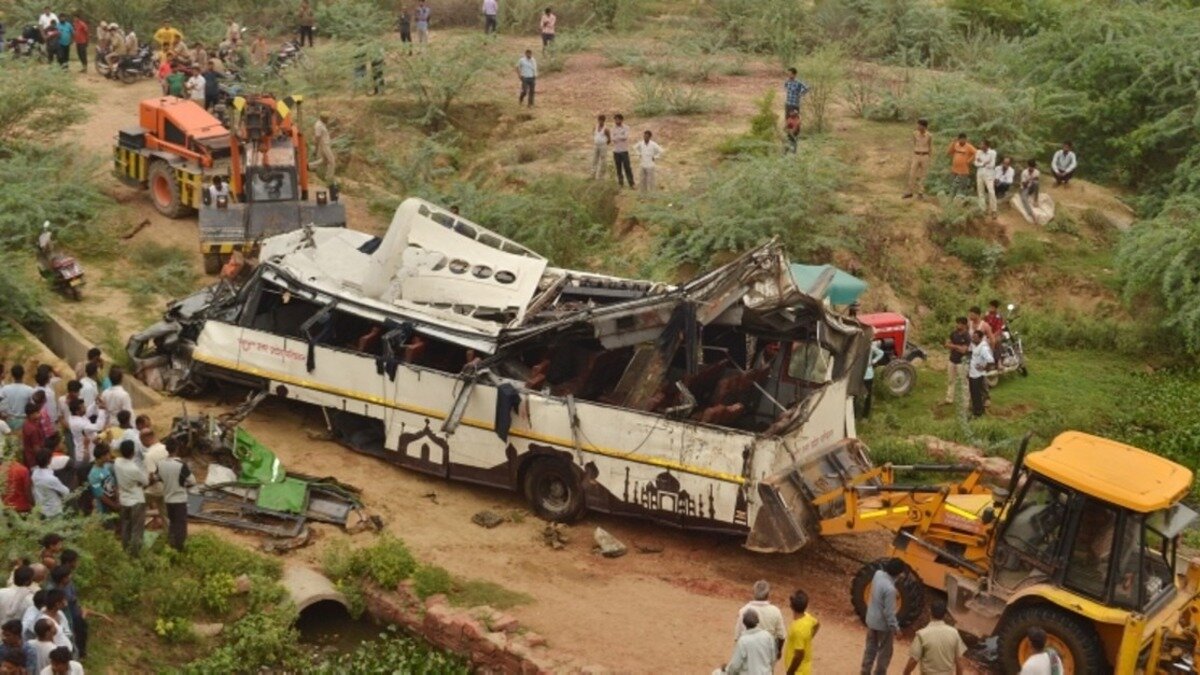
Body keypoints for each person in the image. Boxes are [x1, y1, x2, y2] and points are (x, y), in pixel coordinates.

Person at [861, 558, 905, 675]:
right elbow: (889, 613)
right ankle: (879, 673)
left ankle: (865, 670)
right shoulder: (890, 590)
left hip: (871, 619)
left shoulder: (878, 574)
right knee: (885, 652)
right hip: (883, 625)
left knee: (870, 647)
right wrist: (896, 629)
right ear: (898, 573)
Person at [903, 599, 965, 675]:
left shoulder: (922, 634)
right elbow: (959, 660)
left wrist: (906, 673)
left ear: (930, 612)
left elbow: (913, 660)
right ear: (945, 615)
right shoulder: (954, 633)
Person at [157, 437, 195, 551]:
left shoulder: (161, 464)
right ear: (177, 449)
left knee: (173, 524)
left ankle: (171, 546)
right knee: (181, 527)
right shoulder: (180, 465)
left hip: (168, 499)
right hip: (179, 500)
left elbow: (157, 477)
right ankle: (179, 549)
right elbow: (193, 481)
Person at [114, 440, 148, 555]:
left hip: (123, 500)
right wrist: (139, 483)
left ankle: (125, 552)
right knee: (137, 531)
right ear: (133, 452)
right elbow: (146, 481)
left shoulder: (117, 462)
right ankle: (135, 555)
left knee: (125, 528)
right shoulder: (134, 468)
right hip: (136, 500)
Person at [734, 580, 786, 653]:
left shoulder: (743, 611)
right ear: (768, 594)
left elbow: (737, 637)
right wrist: (779, 651)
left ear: (753, 593)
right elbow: (781, 636)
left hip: (748, 653)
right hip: (767, 654)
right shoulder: (776, 611)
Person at [725, 609, 775, 675]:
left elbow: (735, 665)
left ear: (744, 623)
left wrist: (729, 672)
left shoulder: (743, 641)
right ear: (758, 621)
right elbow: (772, 658)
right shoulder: (767, 635)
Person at [782, 590, 818, 675]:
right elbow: (817, 624)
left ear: (791, 606)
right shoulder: (807, 616)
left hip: (798, 671)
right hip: (805, 668)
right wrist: (808, 638)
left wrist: (790, 672)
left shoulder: (797, 628)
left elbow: (799, 655)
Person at [31, 452, 69, 519]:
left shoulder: (34, 473)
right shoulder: (51, 479)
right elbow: (66, 492)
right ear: (49, 461)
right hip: (54, 510)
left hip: (41, 510)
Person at [943, 317, 971, 406]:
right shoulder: (953, 333)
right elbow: (946, 344)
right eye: (957, 323)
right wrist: (957, 347)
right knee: (951, 380)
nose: (957, 325)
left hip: (962, 362)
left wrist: (953, 346)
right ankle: (949, 399)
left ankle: (965, 401)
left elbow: (964, 350)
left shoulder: (967, 336)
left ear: (964, 325)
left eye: (959, 323)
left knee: (964, 382)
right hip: (952, 360)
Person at [902, 119, 933, 199]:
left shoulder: (929, 135)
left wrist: (929, 157)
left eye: (919, 125)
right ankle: (909, 192)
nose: (918, 127)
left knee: (923, 175)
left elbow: (930, 147)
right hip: (916, 154)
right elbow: (914, 143)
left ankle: (920, 193)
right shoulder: (915, 134)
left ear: (924, 126)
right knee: (912, 174)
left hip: (925, 155)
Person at [86, 443, 118, 518]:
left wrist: (117, 498)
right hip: (104, 509)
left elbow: (113, 484)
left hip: (114, 502)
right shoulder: (93, 475)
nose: (109, 455)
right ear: (102, 456)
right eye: (107, 454)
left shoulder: (107, 466)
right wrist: (114, 506)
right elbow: (100, 495)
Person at [967, 330, 993, 418]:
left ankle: (978, 413)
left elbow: (990, 360)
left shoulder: (983, 348)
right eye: (973, 337)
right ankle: (976, 410)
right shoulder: (974, 345)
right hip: (972, 374)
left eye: (975, 337)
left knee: (977, 394)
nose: (973, 339)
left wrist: (985, 368)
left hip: (978, 375)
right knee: (973, 393)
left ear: (981, 338)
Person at [1, 365, 34, 432]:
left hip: (9, 420)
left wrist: (2, 414)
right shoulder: (29, 390)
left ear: (12, 375)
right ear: (23, 374)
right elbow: (33, 406)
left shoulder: (5, 389)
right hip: (24, 421)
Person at [2, 447, 32, 514]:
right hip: (22, 507)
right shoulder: (23, 470)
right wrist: (33, 503)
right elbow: (27, 491)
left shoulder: (1, 470)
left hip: (5, 508)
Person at [634, 130, 664, 194]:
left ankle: (652, 194)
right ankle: (643, 194)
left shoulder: (653, 144)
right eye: (644, 136)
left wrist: (655, 157)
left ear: (650, 137)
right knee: (642, 180)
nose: (645, 137)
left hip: (650, 165)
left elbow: (661, 151)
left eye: (647, 136)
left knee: (651, 180)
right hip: (642, 164)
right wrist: (639, 154)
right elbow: (635, 147)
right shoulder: (641, 143)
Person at [309, 114, 336, 184]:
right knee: (332, 161)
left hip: (326, 145)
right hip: (324, 146)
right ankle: (329, 178)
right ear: (322, 118)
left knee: (324, 160)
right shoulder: (319, 126)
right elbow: (317, 138)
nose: (328, 120)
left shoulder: (322, 124)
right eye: (327, 119)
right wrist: (316, 148)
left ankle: (309, 166)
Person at [974, 138, 998, 217]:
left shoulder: (992, 153)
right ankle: (983, 209)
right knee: (980, 191)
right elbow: (975, 163)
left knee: (991, 191)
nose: (981, 146)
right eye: (980, 144)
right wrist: (984, 163)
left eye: (982, 144)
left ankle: (994, 210)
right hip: (980, 173)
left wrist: (981, 161)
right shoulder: (978, 152)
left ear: (987, 146)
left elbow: (992, 164)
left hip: (989, 174)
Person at [862, 340, 884, 420]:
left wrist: (873, 361)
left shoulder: (871, 346)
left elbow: (881, 353)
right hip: (858, 374)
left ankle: (865, 416)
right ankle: (853, 414)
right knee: (855, 395)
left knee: (868, 395)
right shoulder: (857, 345)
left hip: (868, 374)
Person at [611, 114, 634, 188]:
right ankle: (621, 184)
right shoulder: (613, 128)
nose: (616, 121)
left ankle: (631, 184)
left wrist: (617, 136)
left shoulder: (626, 127)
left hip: (624, 150)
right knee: (618, 168)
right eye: (615, 119)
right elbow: (612, 138)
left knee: (627, 167)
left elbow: (625, 137)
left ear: (621, 120)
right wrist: (620, 136)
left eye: (617, 119)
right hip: (616, 151)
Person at [591, 115, 610, 180]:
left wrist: (604, 144)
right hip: (596, 145)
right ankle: (593, 175)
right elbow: (594, 134)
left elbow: (609, 139)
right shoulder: (595, 127)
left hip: (603, 145)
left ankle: (601, 176)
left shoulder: (606, 129)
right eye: (599, 120)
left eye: (601, 120)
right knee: (594, 160)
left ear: (604, 121)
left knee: (603, 161)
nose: (600, 122)